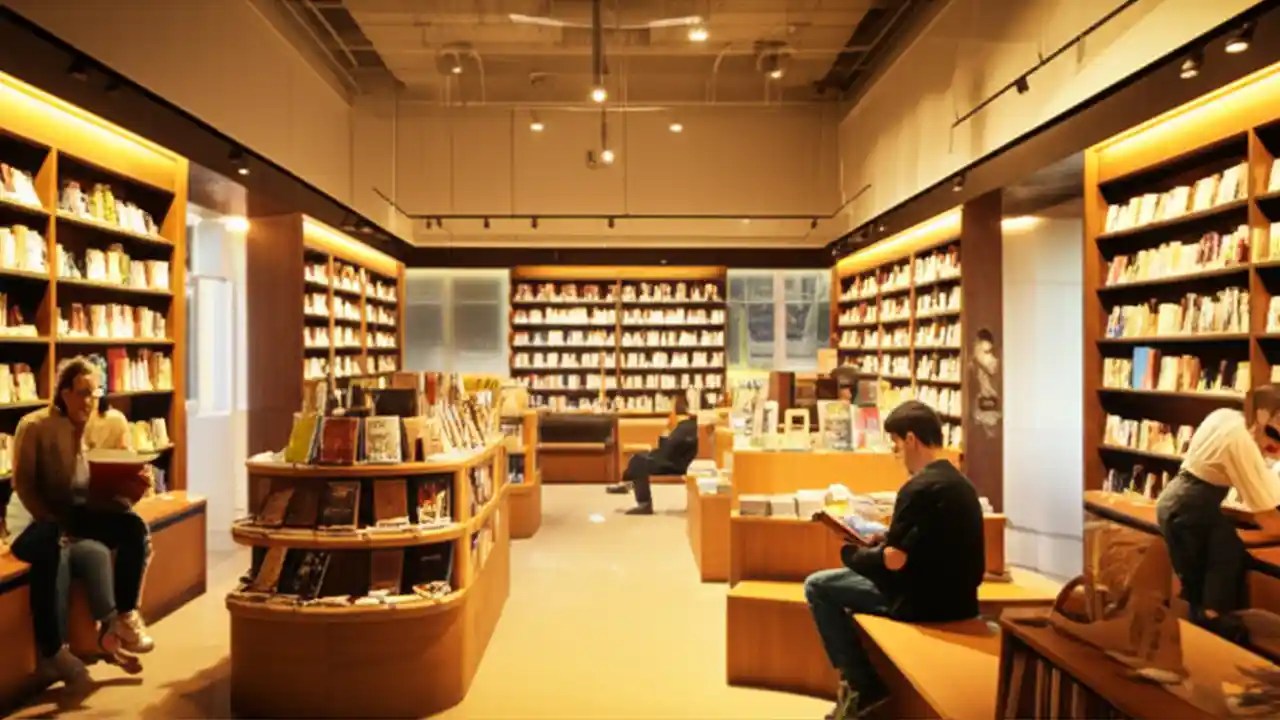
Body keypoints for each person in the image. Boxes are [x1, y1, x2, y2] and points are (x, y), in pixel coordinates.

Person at [803, 401, 985, 719]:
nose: (896, 455)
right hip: (962, 599)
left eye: (896, 445)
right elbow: (920, 542)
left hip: (921, 601)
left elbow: (893, 561)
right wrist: (883, 542)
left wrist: (852, 554)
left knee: (818, 586)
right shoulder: (961, 485)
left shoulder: (917, 488)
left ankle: (864, 686)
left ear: (911, 440)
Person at [12, 358, 155, 674]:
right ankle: (53, 650)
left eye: (95, 393)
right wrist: (49, 521)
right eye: (82, 393)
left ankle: (126, 616)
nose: (90, 401)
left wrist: (131, 487)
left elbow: (92, 492)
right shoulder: (35, 426)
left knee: (133, 527)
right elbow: (23, 484)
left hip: (76, 515)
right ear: (64, 392)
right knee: (54, 546)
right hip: (37, 521)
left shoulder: (96, 427)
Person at [1156, 387, 1280, 644]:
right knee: (1215, 571)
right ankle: (1211, 635)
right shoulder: (1241, 442)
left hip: (1177, 503)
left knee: (1221, 554)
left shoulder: (1225, 416)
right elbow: (1267, 519)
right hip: (1192, 510)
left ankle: (1202, 635)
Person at [606, 396, 700, 515]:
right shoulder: (689, 425)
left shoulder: (682, 427)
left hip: (673, 464)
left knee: (638, 461)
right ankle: (628, 484)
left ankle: (644, 504)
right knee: (639, 456)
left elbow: (666, 449)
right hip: (675, 460)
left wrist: (666, 432)